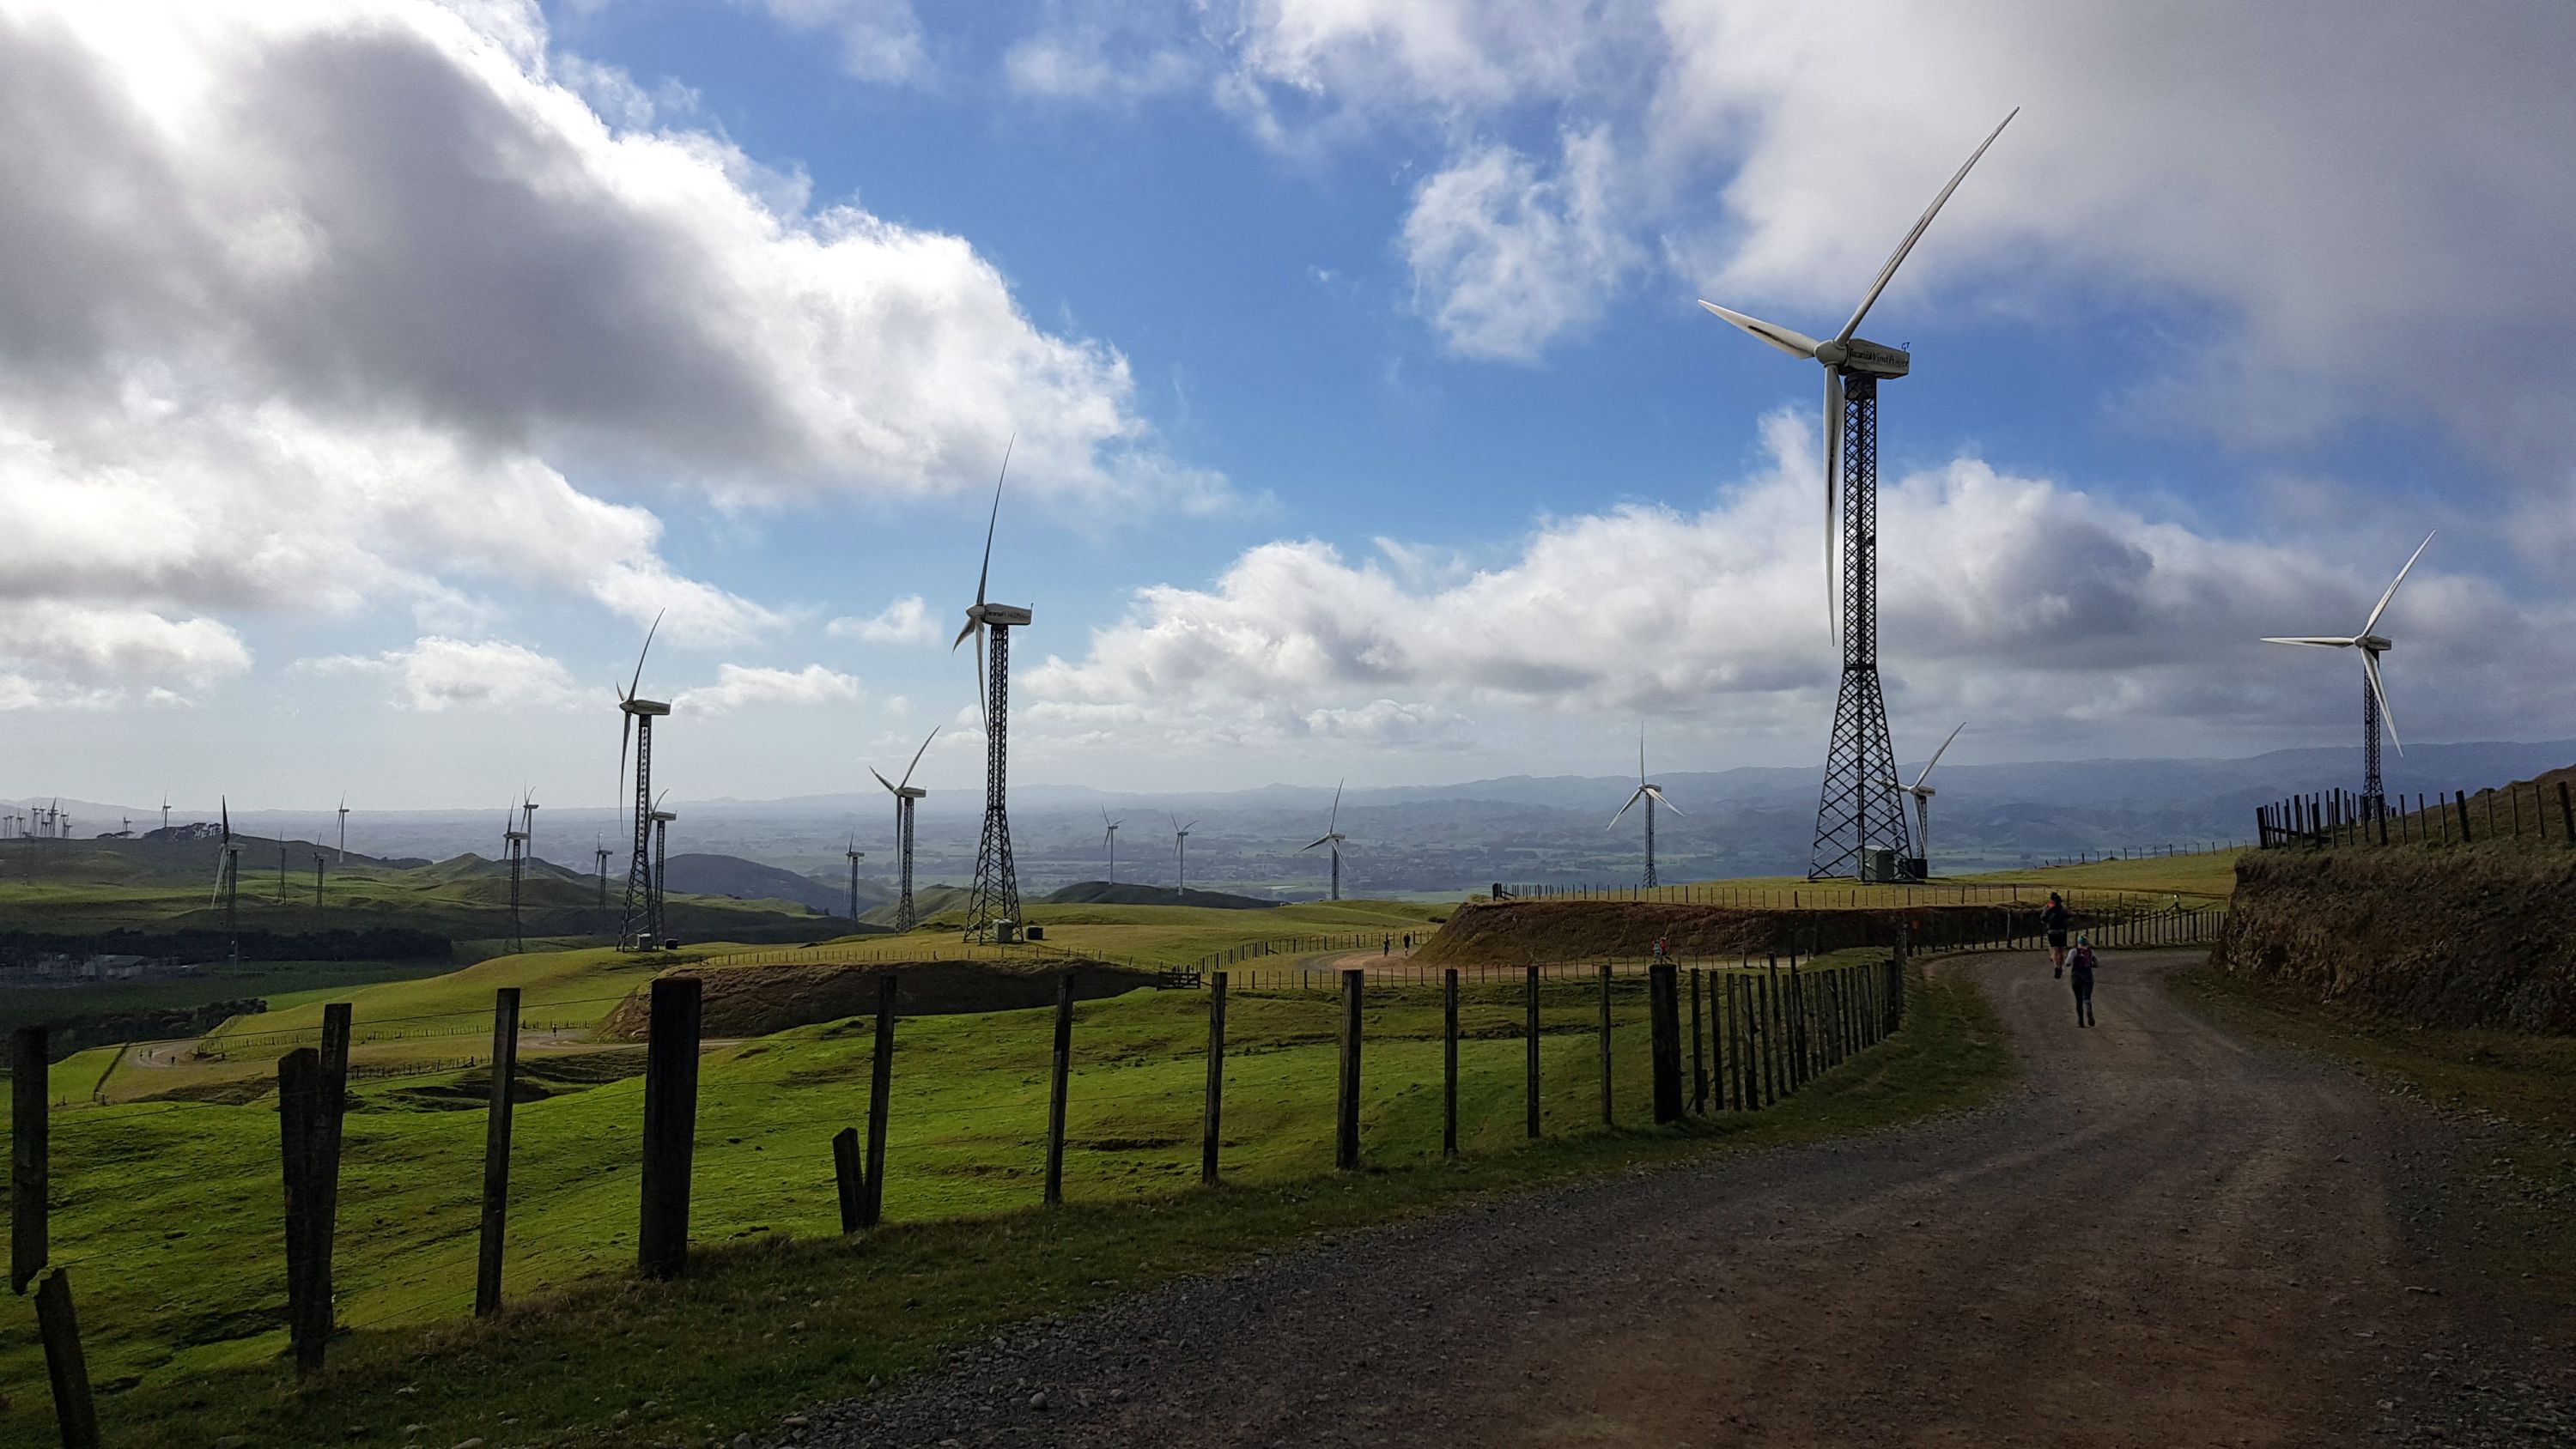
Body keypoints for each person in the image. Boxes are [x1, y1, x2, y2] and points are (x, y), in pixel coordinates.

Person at [2068, 934, 2099, 1027]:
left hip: (2076, 976)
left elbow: (2067, 963)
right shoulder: (2090, 951)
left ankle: (2080, 1021)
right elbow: (2096, 964)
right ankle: (2088, 1008)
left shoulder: (2074, 951)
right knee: (2087, 997)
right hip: (2088, 975)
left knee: (2078, 999)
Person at [2041, 891, 2071, 976]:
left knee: (2054, 950)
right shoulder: (2063, 908)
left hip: (2052, 931)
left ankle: (2056, 966)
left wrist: (2047, 923)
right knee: (2061, 950)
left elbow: (2043, 917)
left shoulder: (2048, 907)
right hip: (2062, 931)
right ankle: (2061, 967)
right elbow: (2069, 915)